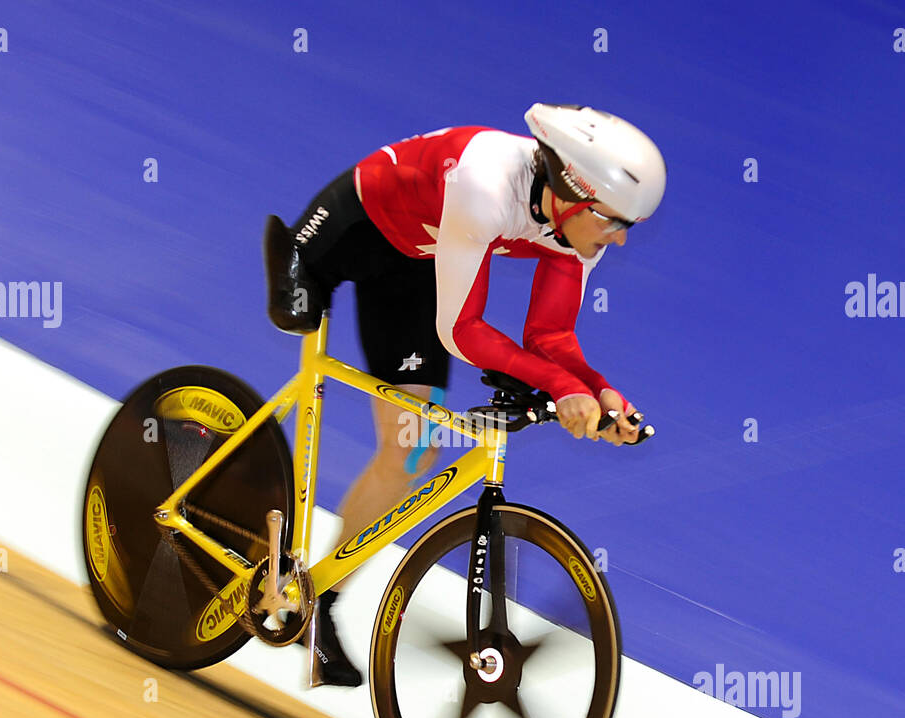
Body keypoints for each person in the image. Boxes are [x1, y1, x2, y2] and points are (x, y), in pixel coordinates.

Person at [263, 103, 666, 686]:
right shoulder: (488, 183)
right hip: (353, 227)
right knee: (295, 312)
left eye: (628, 225)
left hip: (421, 262)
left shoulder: (579, 226)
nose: (620, 240)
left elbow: (550, 336)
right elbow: (460, 331)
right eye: (614, 222)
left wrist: (600, 391)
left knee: (411, 451)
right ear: (573, 194)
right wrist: (562, 387)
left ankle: (317, 599)